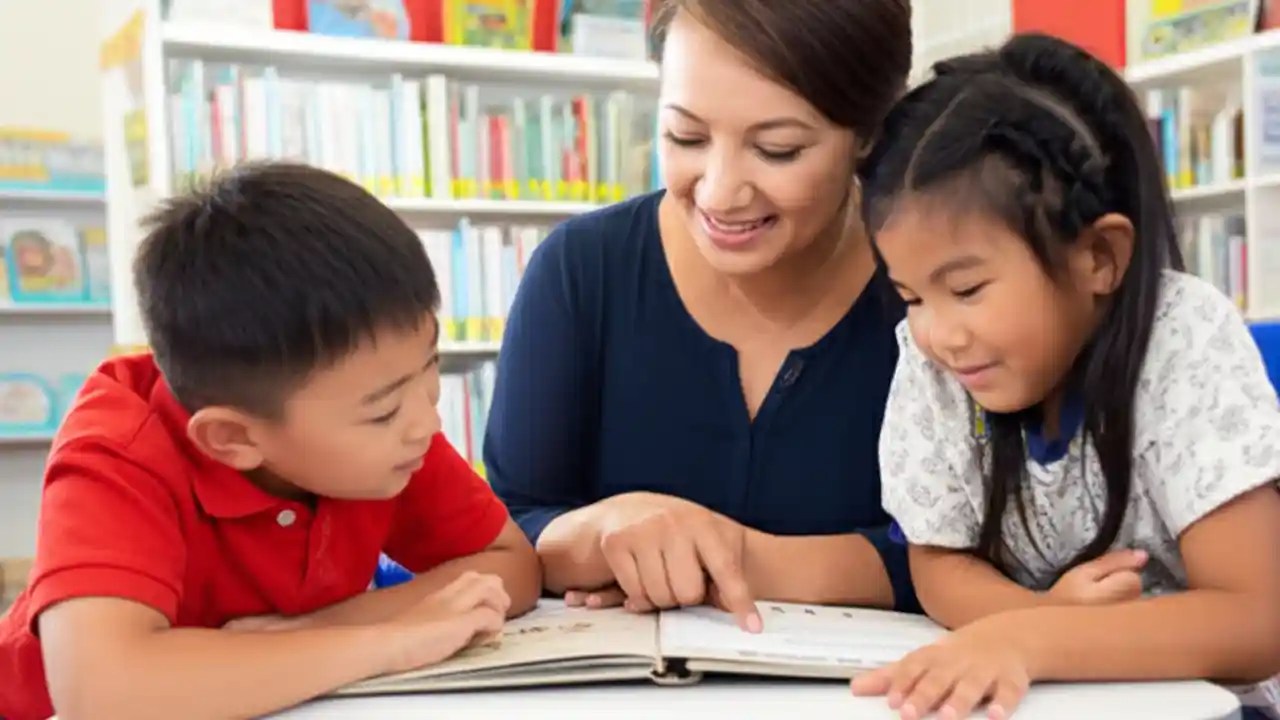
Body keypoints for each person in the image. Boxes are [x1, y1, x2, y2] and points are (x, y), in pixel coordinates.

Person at [0, 163, 541, 720]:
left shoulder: (390, 436)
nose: (428, 421)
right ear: (232, 438)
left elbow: (511, 564)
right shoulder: (120, 447)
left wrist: (321, 628)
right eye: (382, 410)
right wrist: (390, 640)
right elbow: (102, 693)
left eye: (430, 367)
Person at [848, 33, 1280, 720]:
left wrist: (1037, 637)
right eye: (911, 296)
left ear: (1099, 258)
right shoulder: (931, 365)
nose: (938, 333)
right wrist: (1035, 616)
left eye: (966, 289)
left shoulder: (1181, 341)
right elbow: (938, 565)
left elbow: (1258, 622)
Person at [485, 0, 919, 630]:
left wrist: (724, 557)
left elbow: (978, 551)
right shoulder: (581, 270)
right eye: (685, 137)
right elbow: (502, 526)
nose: (719, 193)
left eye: (777, 150)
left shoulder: (931, 286)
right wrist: (602, 531)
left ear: (871, 134)